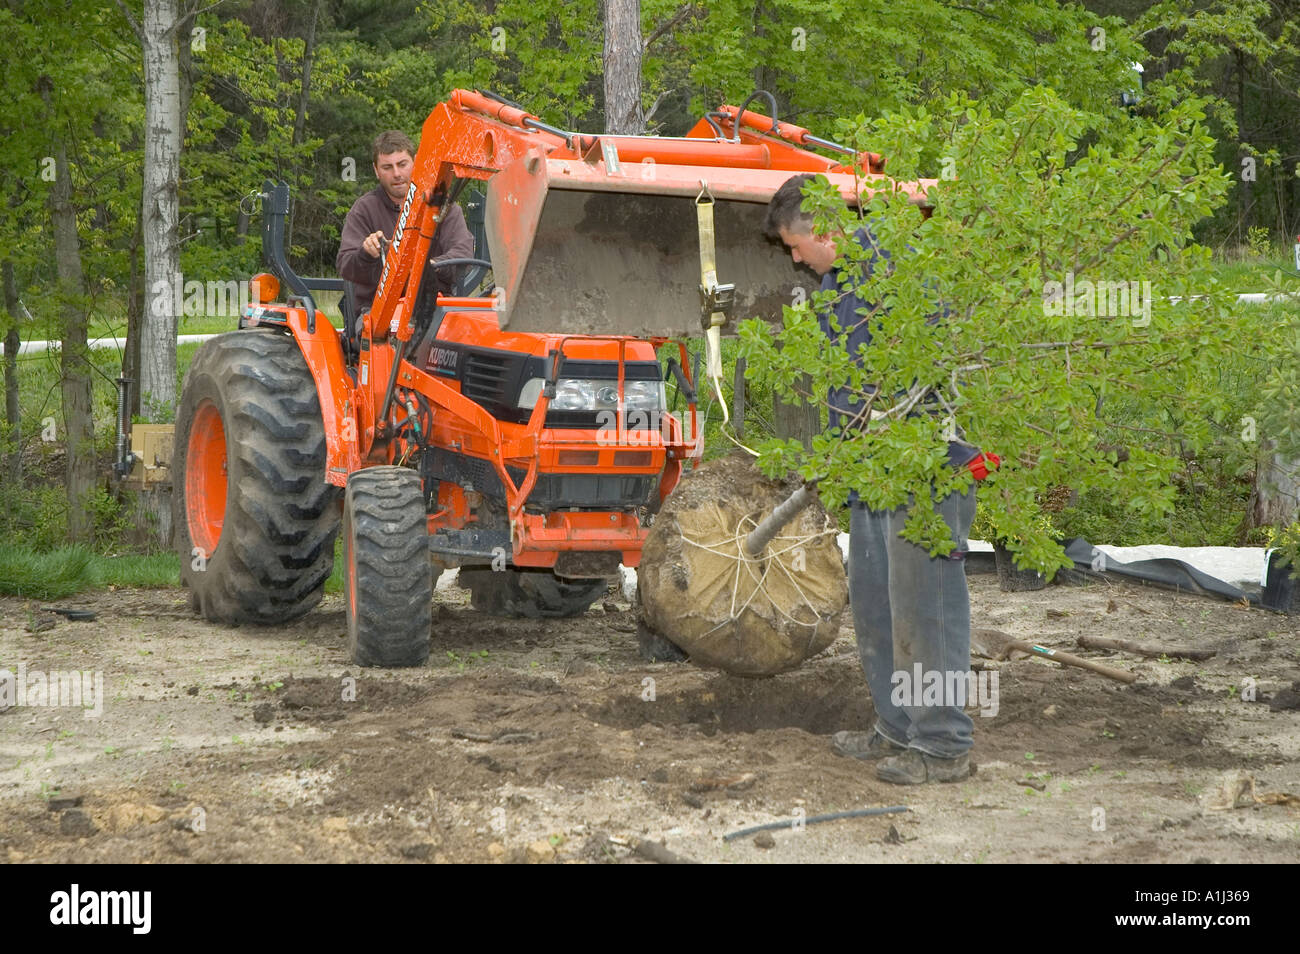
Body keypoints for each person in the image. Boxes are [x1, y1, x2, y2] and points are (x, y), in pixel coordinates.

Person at [764, 173, 981, 785]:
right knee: (878, 598)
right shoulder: (838, 285)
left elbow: (918, 378)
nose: (794, 258)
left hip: (926, 466)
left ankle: (942, 746)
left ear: (824, 229)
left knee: (927, 604)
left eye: (794, 246)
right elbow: (849, 390)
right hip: (871, 473)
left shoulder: (899, 269)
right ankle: (895, 725)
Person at [336, 130, 476, 318]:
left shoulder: (444, 207)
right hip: (375, 313)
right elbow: (345, 265)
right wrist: (366, 254)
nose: (396, 174)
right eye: (387, 167)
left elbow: (463, 254)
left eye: (402, 164)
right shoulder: (364, 209)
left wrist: (426, 267)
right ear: (376, 170)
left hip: (435, 309)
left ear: (415, 162)